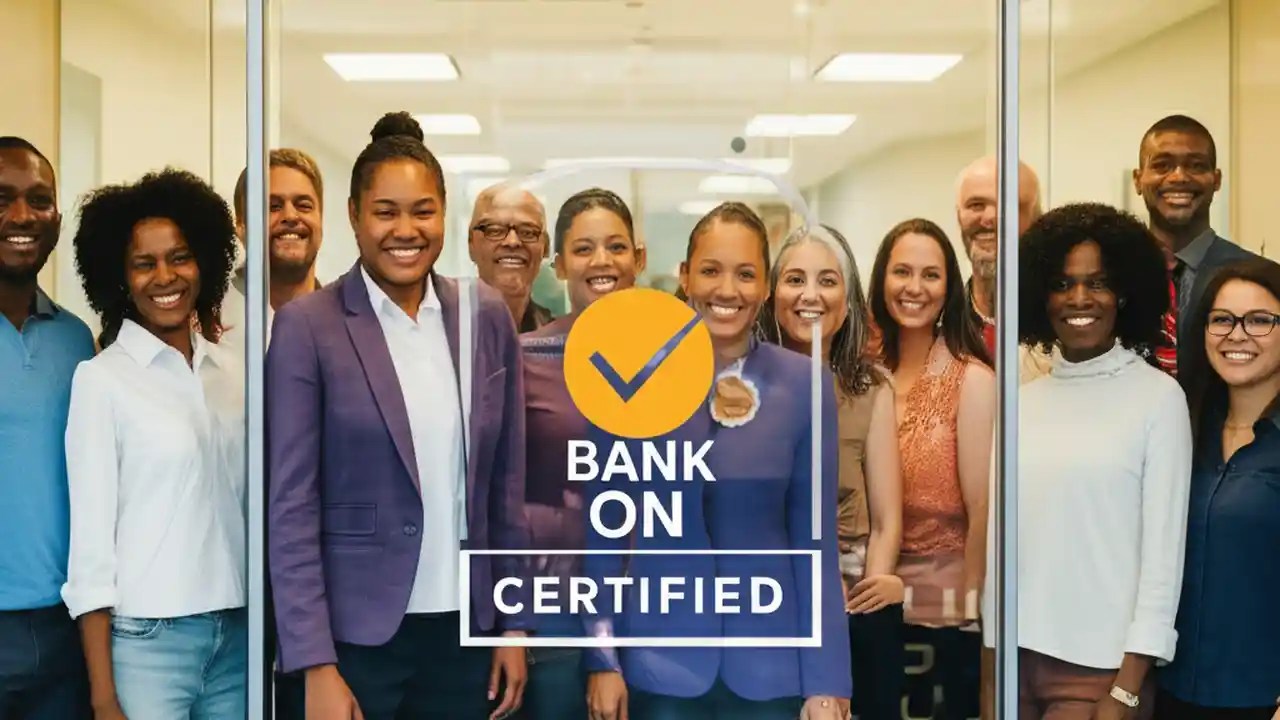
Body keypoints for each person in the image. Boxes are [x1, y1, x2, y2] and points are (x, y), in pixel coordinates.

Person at [267, 112, 529, 720]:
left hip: (466, 632)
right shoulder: (309, 326)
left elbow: (505, 491)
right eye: (385, 212)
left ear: (445, 217)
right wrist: (314, 662)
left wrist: (513, 624)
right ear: (355, 217)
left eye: (423, 211)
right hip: (356, 640)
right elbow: (291, 506)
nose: (405, 230)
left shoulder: (484, 315)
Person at [584, 202, 850, 720]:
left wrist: (827, 680)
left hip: (772, 668)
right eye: (711, 270)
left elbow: (815, 544)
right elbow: (604, 535)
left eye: (746, 274)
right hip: (661, 664)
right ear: (685, 276)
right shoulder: (628, 381)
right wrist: (602, 659)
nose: (728, 290)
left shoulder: (804, 386)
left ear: (766, 286)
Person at [62, 168, 245, 718]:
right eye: (144, 263)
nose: (165, 276)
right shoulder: (101, 381)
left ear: (204, 263)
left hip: (237, 635)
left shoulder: (233, 373)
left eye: (180, 257)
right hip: (147, 644)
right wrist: (103, 697)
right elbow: (90, 551)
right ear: (119, 276)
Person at [1006, 202, 1192, 720]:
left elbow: (1163, 561)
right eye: (1063, 284)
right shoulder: (1022, 402)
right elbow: (1003, 550)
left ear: (1125, 293)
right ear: (1040, 296)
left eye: (1098, 283)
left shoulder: (1158, 399)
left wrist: (1128, 688)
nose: (1079, 299)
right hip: (1014, 666)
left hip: (1101, 674)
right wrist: (990, 669)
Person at [761, 224, 904, 720]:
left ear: (849, 296)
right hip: (773, 592)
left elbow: (887, 520)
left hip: (852, 598)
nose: (810, 295)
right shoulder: (741, 387)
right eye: (794, 279)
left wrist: (874, 583)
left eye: (827, 280)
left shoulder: (872, 389)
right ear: (771, 293)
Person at [519, 187, 646, 719]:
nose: (602, 262)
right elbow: (508, 500)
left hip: (656, 614)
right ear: (559, 264)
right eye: (584, 248)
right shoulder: (527, 359)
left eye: (616, 247)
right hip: (560, 618)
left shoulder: (681, 359)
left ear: (639, 259)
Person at [868, 218, 994, 720]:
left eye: (930, 275)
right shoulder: (859, 376)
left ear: (949, 287)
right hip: (868, 605)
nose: (914, 288)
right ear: (881, 279)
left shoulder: (973, 380)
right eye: (902, 272)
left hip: (947, 621)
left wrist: (974, 612)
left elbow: (983, 509)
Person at [1157, 259, 1280, 720]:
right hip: (1171, 692)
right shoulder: (1181, 431)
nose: (1237, 334)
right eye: (1222, 319)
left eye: (1261, 321)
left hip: (1261, 699)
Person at [0, 136, 95, 718]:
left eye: (40, 200)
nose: (21, 216)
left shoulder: (78, 341)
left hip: (66, 633)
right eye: (3, 198)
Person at [1132, 114, 1259, 375]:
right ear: (1138, 179)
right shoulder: (1110, 276)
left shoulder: (1259, 279)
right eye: (1162, 165)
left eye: (1196, 165)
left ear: (1216, 179)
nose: (1178, 177)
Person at [221, 147, 327, 349]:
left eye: (303, 205)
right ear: (241, 228)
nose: (291, 216)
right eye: (273, 207)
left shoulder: (348, 321)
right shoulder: (208, 321)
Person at [954, 155, 1042, 356]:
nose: (990, 218)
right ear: (959, 216)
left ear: (1037, 219)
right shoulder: (936, 327)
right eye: (976, 204)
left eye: (1009, 204)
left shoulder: (1064, 327)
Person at [469, 183, 553, 332]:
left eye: (528, 232)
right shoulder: (443, 333)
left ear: (545, 247)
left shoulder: (563, 342)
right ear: (471, 243)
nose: (512, 242)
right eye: (494, 231)